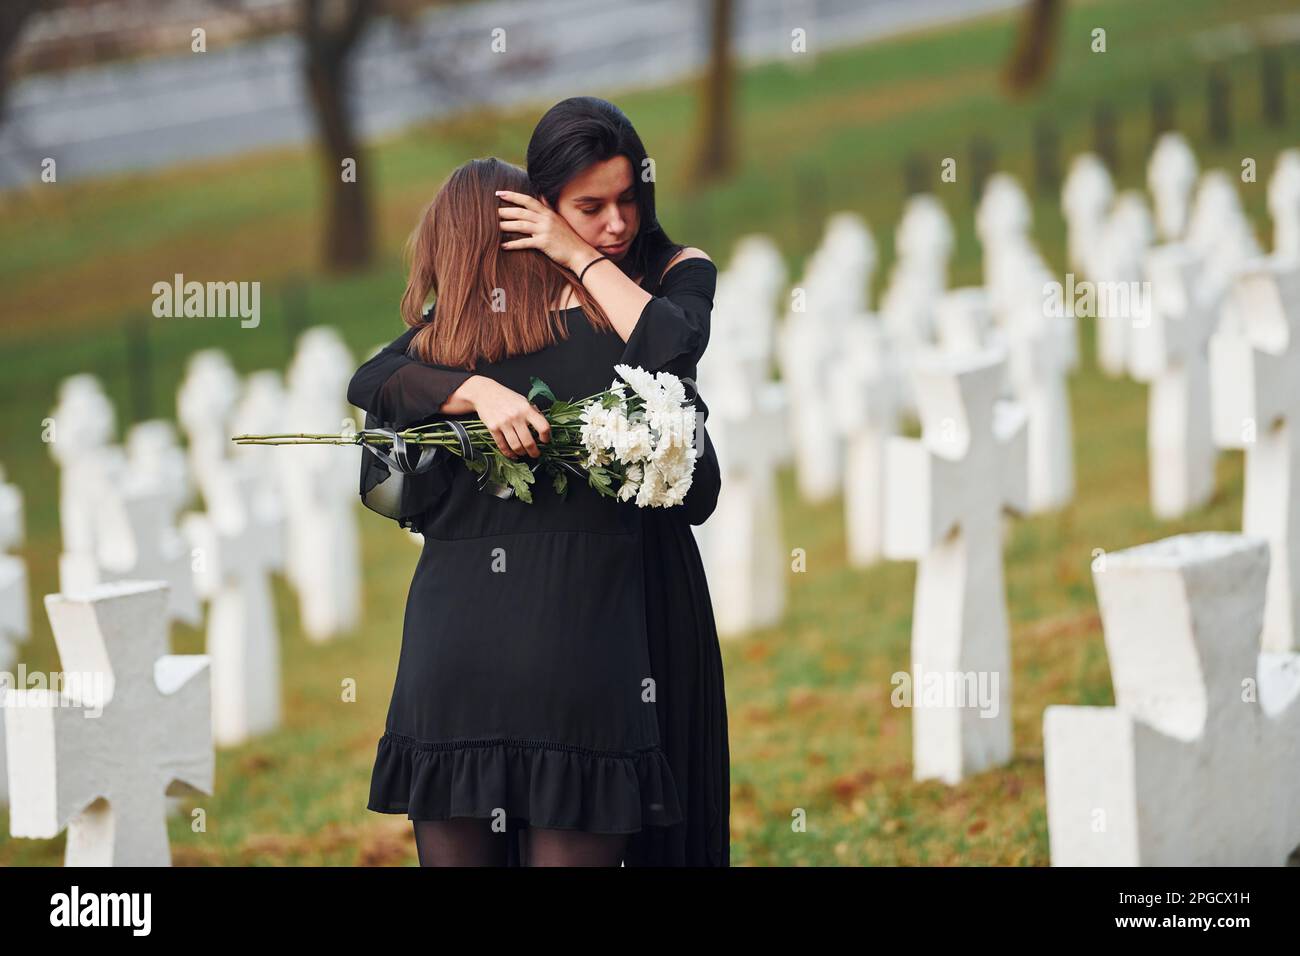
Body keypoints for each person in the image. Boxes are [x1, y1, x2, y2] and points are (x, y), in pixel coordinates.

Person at [349, 97, 730, 866]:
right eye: (590, 208)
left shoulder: (438, 355)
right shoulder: (588, 347)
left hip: (455, 662)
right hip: (590, 641)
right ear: (533, 214)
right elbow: (700, 485)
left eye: (629, 201)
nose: (617, 223)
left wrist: (469, 384)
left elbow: (387, 476)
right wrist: (481, 394)